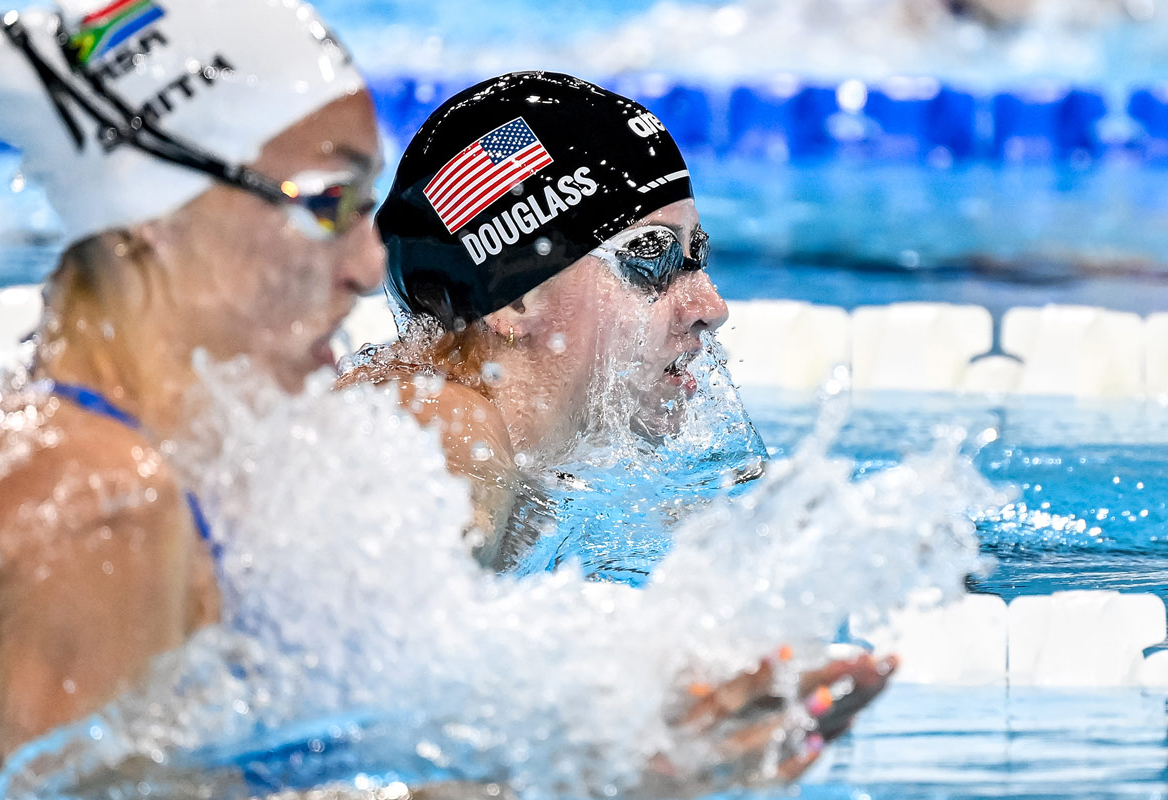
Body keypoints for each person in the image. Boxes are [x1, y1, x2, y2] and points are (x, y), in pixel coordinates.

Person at [337, 71, 895, 780]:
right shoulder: (444, 431)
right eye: (650, 257)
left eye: (696, 255)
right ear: (512, 294)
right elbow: (366, 762)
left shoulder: (515, 455)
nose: (709, 303)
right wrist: (630, 772)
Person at [0, 0, 383, 763]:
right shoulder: (103, 502)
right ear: (155, 213)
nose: (369, 267)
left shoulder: (88, 442)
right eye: (328, 203)